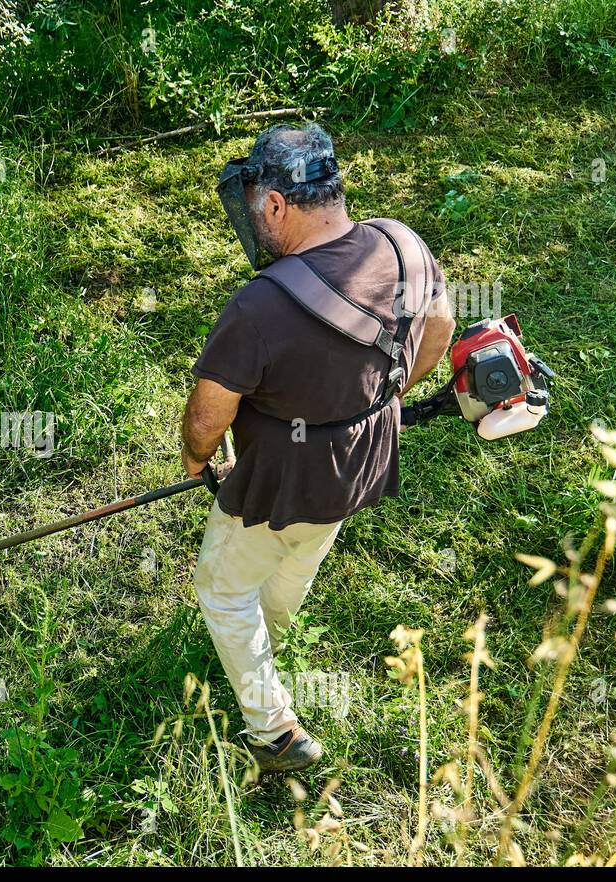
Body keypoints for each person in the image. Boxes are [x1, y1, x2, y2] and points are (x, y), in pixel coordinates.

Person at [180, 123, 455, 773]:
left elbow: (206, 415)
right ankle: (267, 635)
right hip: (361, 465)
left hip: (283, 480)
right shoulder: (402, 245)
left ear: (275, 205)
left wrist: (197, 460)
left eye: (254, 204)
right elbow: (441, 324)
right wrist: (385, 395)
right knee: (298, 555)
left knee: (222, 589)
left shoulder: (259, 308)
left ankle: (274, 732)